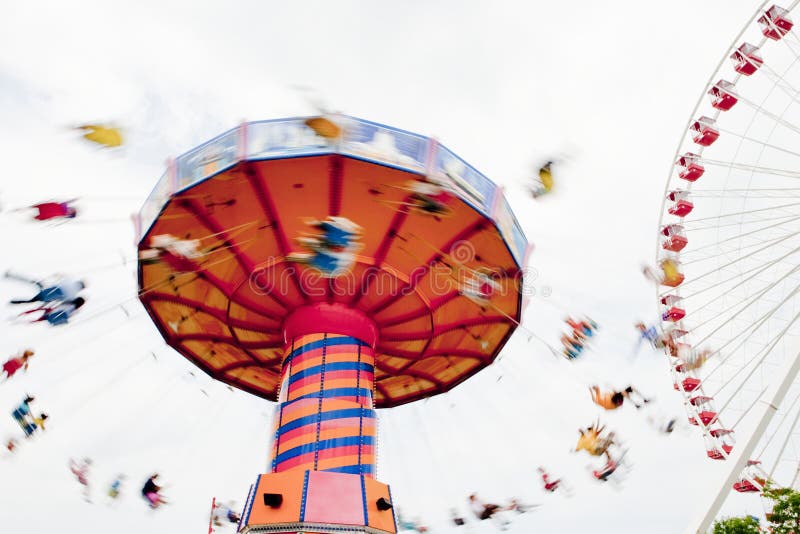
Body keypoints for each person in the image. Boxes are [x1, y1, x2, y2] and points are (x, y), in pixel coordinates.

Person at [9, 276, 85, 305]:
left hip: (47, 290)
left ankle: (12, 276)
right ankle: (14, 302)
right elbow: (62, 300)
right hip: (47, 298)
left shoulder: (69, 280)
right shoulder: (72, 295)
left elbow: (60, 280)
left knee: (35, 282)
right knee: (31, 300)